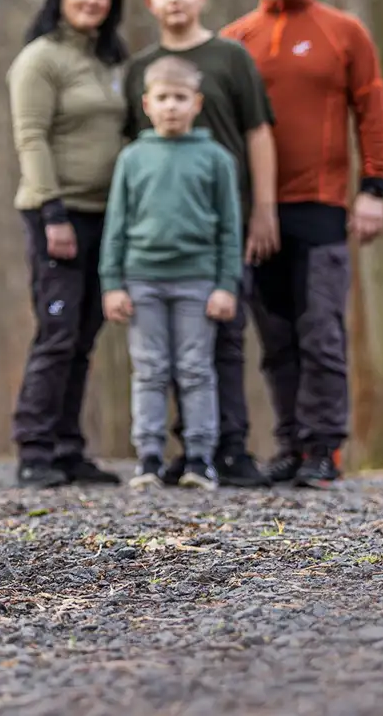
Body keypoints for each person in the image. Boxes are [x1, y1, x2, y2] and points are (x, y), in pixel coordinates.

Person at [220, 0, 383, 489]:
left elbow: (371, 112)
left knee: (321, 329)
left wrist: (374, 188)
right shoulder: (234, 41)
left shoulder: (344, 32)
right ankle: (292, 445)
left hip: (322, 206)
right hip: (254, 214)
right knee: (274, 336)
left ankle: (325, 448)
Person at [121, 0, 279, 488]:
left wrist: (263, 208)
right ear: (150, 1)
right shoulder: (140, 68)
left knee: (219, 349)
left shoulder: (230, 58)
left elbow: (258, 132)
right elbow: (131, 152)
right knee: (158, 363)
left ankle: (220, 451)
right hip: (153, 255)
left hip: (216, 235)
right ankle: (167, 454)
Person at [6, 0, 130, 489]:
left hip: (107, 215)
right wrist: (52, 212)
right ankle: (35, 447)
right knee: (57, 330)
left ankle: (68, 446)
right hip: (55, 212)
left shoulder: (111, 63)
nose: (92, 0)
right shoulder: (40, 59)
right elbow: (30, 136)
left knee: (84, 334)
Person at [100, 55, 242, 492]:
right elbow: (117, 224)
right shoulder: (133, 157)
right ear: (147, 103)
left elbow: (229, 226)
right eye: (163, 98)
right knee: (149, 369)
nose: (171, 106)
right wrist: (112, 283)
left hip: (198, 281)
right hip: (142, 279)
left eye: (180, 98)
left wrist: (225, 284)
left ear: (196, 103)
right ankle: (148, 457)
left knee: (196, 369)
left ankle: (200, 458)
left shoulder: (216, 159)